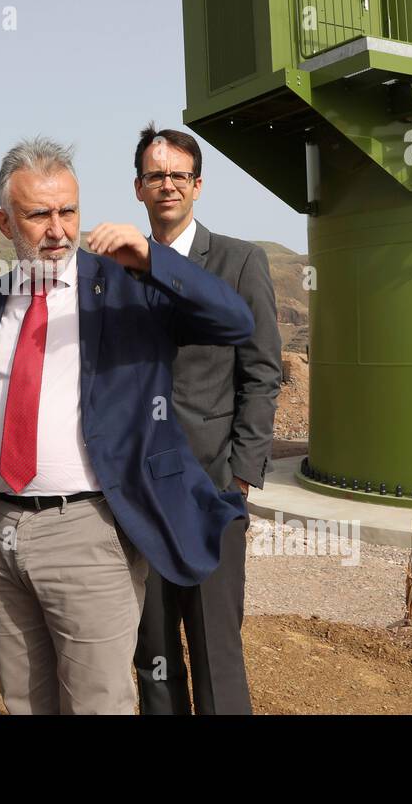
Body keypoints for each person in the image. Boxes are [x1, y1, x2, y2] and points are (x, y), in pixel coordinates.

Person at [0, 136, 255, 714]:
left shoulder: (124, 286)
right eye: (37, 214)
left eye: (67, 210)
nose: (57, 229)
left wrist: (153, 259)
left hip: (87, 531)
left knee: (97, 701)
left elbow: (234, 321)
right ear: (3, 221)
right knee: (23, 698)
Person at [130, 123, 282, 715]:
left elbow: (263, 372)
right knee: (153, 649)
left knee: (217, 648)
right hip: (141, 496)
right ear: (138, 188)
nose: (166, 185)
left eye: (178, 175)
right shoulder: (121, 268)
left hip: (211, 488)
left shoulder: (240, 262)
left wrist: (240, 477)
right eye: (155, 175)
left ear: (197, 186)